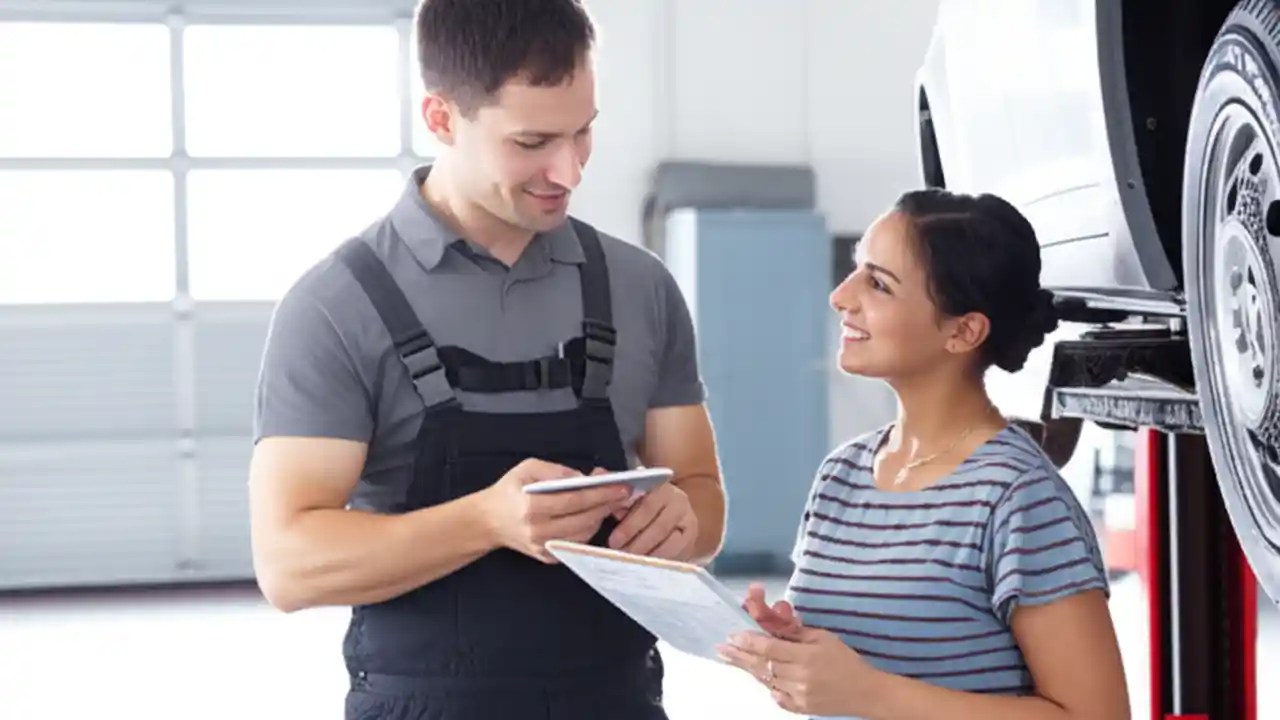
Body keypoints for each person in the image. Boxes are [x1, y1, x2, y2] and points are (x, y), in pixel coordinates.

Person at [246, 1, 726, 718]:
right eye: (532, 141)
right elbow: (288, 566)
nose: (568, 170)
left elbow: (703, 499)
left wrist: (682, 518)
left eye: (584, 130)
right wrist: (489, 522)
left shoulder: (640, 288)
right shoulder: (335, 306)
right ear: (441, 118)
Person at [717, 189, 1130, 719]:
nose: (840, 296)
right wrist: (792, 646)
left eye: (879, 284)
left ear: (963, 331)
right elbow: (873, 659)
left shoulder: (1018, 498)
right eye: (855, 271)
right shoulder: (841, 475)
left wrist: (870, 692)